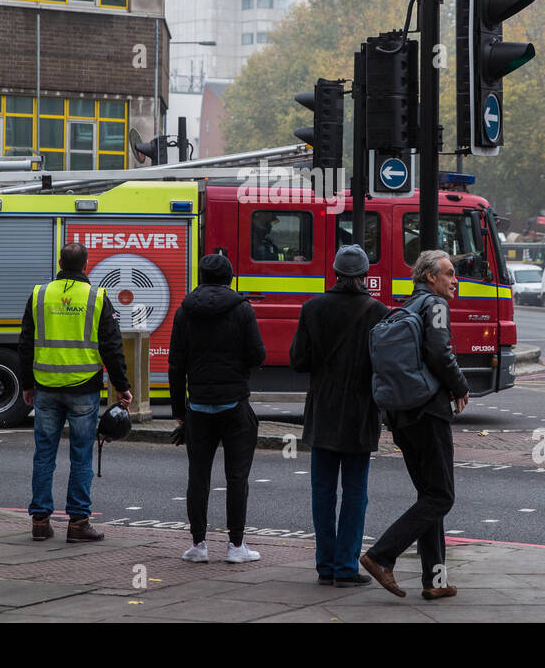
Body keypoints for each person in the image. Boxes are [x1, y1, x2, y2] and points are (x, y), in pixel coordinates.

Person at [360, 249, 469, 601]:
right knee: (441, 496)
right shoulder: (434, 305)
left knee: (429, 496)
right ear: (430, 277)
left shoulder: (405, 307)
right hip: (429, 412)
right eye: (449, 273)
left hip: (402, 416)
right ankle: (381, 555)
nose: (455, 280)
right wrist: (460, 386)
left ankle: (435, 581)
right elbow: (440, 351)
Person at [289, 244, 388, 587]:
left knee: (323, 492)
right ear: (365, 276)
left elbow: (299, 361)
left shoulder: (312, 308)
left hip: (323, 412)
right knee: (356, 492)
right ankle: (346, 566)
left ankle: (325, 565)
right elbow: (385, 366)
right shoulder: (378, 312)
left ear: (334, 272)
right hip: (360, 413)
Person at [20, 242, 132, 543]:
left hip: (45, 388)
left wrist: (27, 384)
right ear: (86, 265)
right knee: (81, 456)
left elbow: (25, 343)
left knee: (44, 454)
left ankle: (40, 522)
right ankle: (78, 522)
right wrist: (122, 386)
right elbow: (111, 345)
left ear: (59, 262)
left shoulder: (39, 294)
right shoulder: (97, 297)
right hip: (84, 390)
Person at [169, 252, 266, 564]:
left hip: (197, 406)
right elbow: (258, 355)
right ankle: (236, 547)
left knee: (198, 476)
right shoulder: (242, 309)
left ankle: (198, 545)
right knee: (237, 476)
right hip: (235, 404)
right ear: (229, 277)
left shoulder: (185, 311)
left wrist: (178, 412)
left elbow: (175, 364)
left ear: (201, 277)